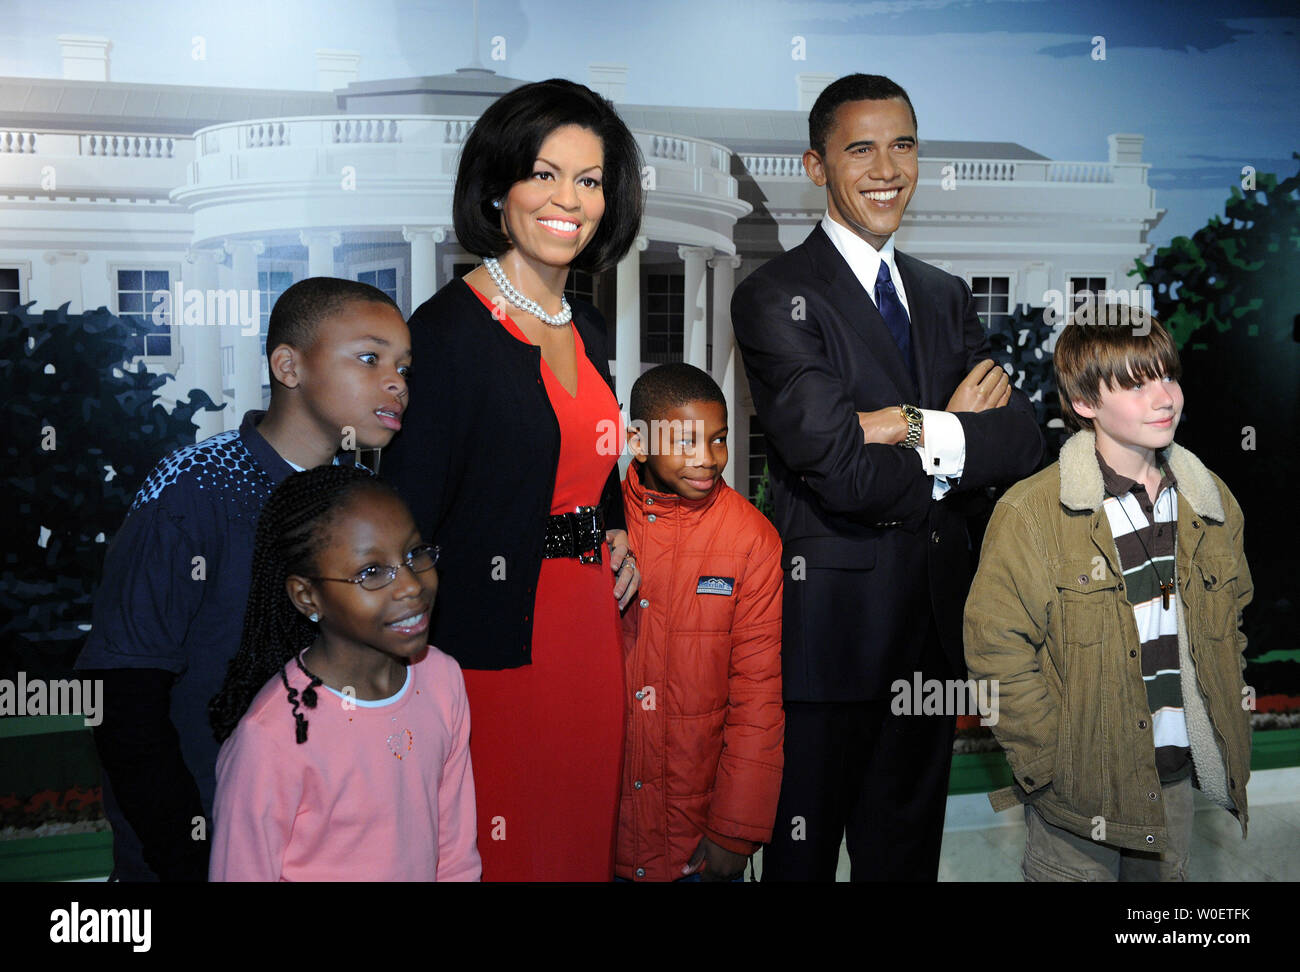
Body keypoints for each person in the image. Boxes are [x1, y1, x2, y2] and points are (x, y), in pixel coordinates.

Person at [730, 73, 1044, 881]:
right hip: (828, 640)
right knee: (800, 866)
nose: (886, 167)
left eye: (902, 144)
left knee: (904, 867)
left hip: (933, 638)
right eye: (860, 147)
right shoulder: (775, 294)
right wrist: (951, 437)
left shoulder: (943, 296)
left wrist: (906, 425)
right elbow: (834, 466)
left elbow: (1018, 442)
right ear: (815, 165)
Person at [380, 79, 645, 881]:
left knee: (578, 841)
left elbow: (580, 457)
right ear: (497, 190)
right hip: (490, 648)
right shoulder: (448, 332)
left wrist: (614, 525)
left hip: (591, 636)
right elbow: (407, 519)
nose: (569, 199)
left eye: (590, 180)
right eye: (543, 173)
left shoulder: (589, 326)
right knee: (508, 848)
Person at [75, 277, 410, 881]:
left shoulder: (371, 501)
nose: (396, 382)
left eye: (404, 366)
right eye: (370, 358)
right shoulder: (192, 489)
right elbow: (123, 698)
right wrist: (187, 854)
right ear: (289, 365)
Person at [965, 307, 1252, 881]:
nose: (1164, 397)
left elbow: (1234, 620)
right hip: (1078, 797)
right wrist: (1049, 765)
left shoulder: (1209, 499)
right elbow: (995, 651)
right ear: (1085, 403)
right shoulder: (1032, 513)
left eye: (1168, 376)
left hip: (1173, 782)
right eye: (1137, 383)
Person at [207, 466, 479, 881]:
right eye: (372, 572)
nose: (410, 585)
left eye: (414, 554)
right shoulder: (270, 739)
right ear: (307, 596)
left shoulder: (442, 680)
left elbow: (456, 858)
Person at [616, 364, 784, 883]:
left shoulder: (752, 540)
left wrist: (737, 829)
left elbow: (758, 695)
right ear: (639, 443)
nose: (709, 458)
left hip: (696, 841)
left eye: (718, 439)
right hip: (602, 830)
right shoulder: (602, 528)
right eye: (686, 440)